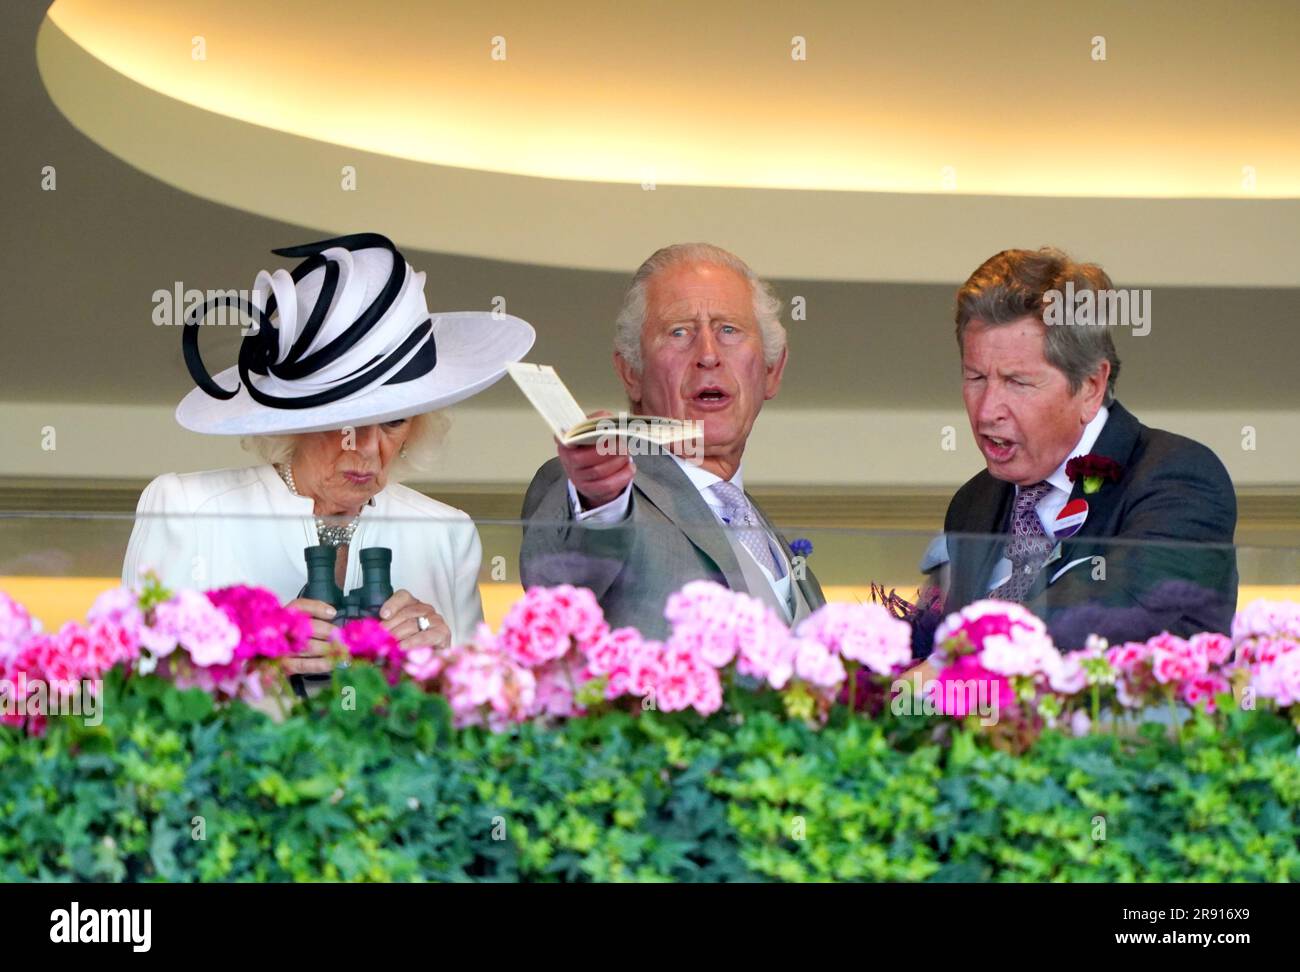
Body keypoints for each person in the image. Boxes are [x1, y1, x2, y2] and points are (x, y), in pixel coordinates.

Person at [122, 231, 534, 682]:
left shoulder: (445, 534)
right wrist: (251, 662)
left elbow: (479, 718)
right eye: (347, 425)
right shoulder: (188, 508)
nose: (370, 449)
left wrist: (445, 662)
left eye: (394, 423)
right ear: (295, 421)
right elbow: (134, 693)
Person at [932, 247, 1237, 651]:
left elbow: (1115, 617)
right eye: (975, 377)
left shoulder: (1179, 478)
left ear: (1091, 386)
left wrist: (957, 662)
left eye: (1017, 383)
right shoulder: (972, 503)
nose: (987, 411)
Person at [520, 243, 825, 638]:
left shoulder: (774, 541)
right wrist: (601, 499)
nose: (708, 355)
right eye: (679, 332)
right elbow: (559, 596)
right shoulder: (597, 490)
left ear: (772, 370)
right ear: (631, 371)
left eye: (728, 330)